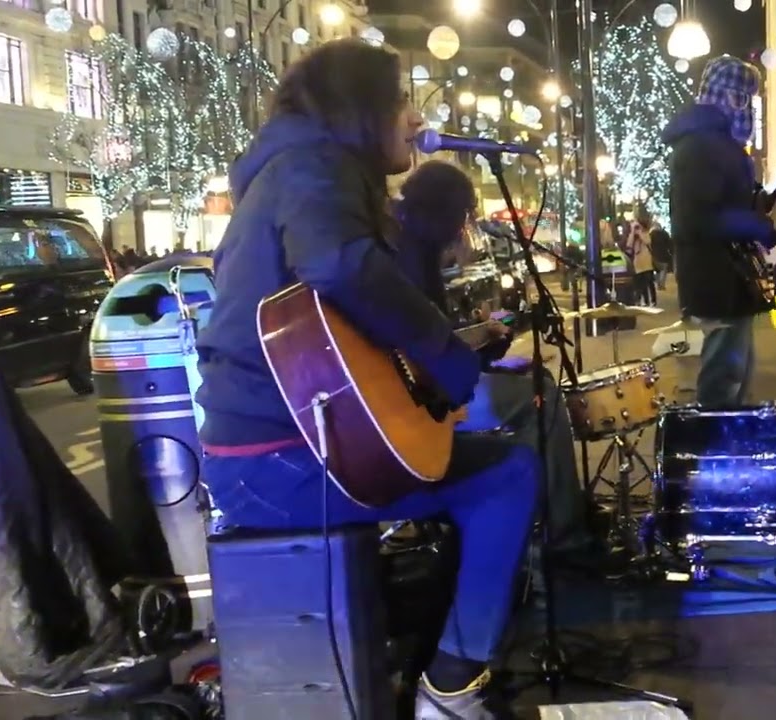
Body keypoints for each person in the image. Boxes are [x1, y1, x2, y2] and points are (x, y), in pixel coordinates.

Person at [193, 40, 532, 718]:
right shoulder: (312, 167)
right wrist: (444, 354)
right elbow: (341, 266)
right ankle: (453, 687)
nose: (412, 119)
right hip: (281, 464)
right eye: (401, 102)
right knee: (508, 475)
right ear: (360, 109)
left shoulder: (289, 170)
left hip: (274, 454)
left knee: (480, 469)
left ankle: (434, 658)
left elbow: (335, 327)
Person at [395, 160, 589, 550]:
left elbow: (432, 338)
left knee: (534, 381)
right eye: (465, 217)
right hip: (415, 404)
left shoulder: (404, 244)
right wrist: (485, 340)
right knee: (541, 396)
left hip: (417, 391)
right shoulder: (414, 258)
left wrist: (487, 342)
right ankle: (562, 535)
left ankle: (542, 517)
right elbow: (423, 352)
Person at [662, 55, 776, 407]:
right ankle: (714, 451)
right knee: (723, 380)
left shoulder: (712, 143)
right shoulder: (701, 146)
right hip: (717, 282)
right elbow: (695, 219)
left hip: (727, 281)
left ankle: (725, 446)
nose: (748, 108)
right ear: (731, 97)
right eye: (744, 99)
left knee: (736, 373)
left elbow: (719, 206)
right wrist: (756, 226)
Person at [626, 221, 657, 305]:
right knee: (640, 283)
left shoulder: (646, 234)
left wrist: (640, 232)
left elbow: (647, 241)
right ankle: (645, 301)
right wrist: (632, 232)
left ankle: (653, 300)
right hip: (638, 262)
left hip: (647, 261)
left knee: (649, 281)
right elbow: (629, 245)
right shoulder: (633, 236)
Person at [649, 221, 673, 290]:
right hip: (663, 255)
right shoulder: (665, 233)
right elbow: (669, 244)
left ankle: (658, 283)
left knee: (657, 271)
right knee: (663, 270)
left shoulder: (651, 235)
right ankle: (661, 284)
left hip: (654, 255)